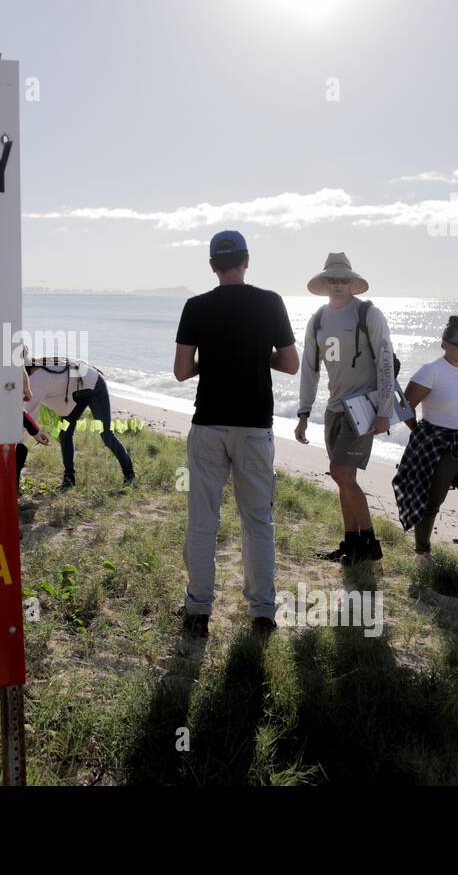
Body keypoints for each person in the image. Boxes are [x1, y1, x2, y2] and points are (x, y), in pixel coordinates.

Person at [173, 230, 299, 638]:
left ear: (212, 266)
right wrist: (256, 353)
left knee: (203, 519)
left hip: (209, 423)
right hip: (254, 426)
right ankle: (262, 612)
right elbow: (292, 363)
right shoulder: (271, 302)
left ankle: (198, 611)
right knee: (258, 521)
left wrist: (210, 362)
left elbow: (180, 371)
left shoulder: (195, 306)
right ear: (247, 260)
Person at [294, 252, 396, 565]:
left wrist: (384, 411)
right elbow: (309, 369)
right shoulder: (318, 319)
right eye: (332, 280)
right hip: (334, 409)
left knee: (340, 472)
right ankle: (351, 545)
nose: (338, 285)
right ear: (325, 283)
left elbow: (386, 362)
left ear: (352, 283)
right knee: (344, 477)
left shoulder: (368, 314)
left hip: (363, 408)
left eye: (343, 280)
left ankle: (370, 545)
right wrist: (303, 413)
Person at [393, 315, 458, 573]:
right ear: (444, 344)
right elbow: (404, 406)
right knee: (431, 502)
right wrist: (421, 432)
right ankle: (422, 553)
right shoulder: (431, 371)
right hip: (440, 448)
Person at [23, 357, 134, 490]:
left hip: (94, 386)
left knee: (106, 434)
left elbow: (28, 414)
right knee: (65, 432)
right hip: (75, 394)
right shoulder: (33, 372)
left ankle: (129, 474)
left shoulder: (37, 379)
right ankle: (69, 479)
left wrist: (18, 442)